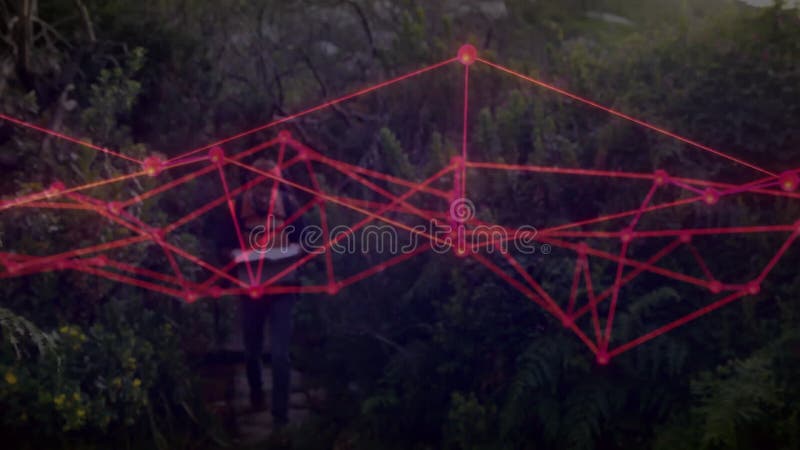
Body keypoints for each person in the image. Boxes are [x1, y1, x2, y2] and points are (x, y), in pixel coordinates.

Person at [233, 158, 304, 427]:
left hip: (283, 288)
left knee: (280, 354)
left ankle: (281, 416)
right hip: (251, 290)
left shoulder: (290, 205)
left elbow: (306, 242)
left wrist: (289, 255)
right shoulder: (238, 207)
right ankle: (255, 395)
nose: (264, 191)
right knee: (251, 351)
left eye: (269, 185)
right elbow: (222, 243)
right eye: (259, 185)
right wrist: (237, 256)